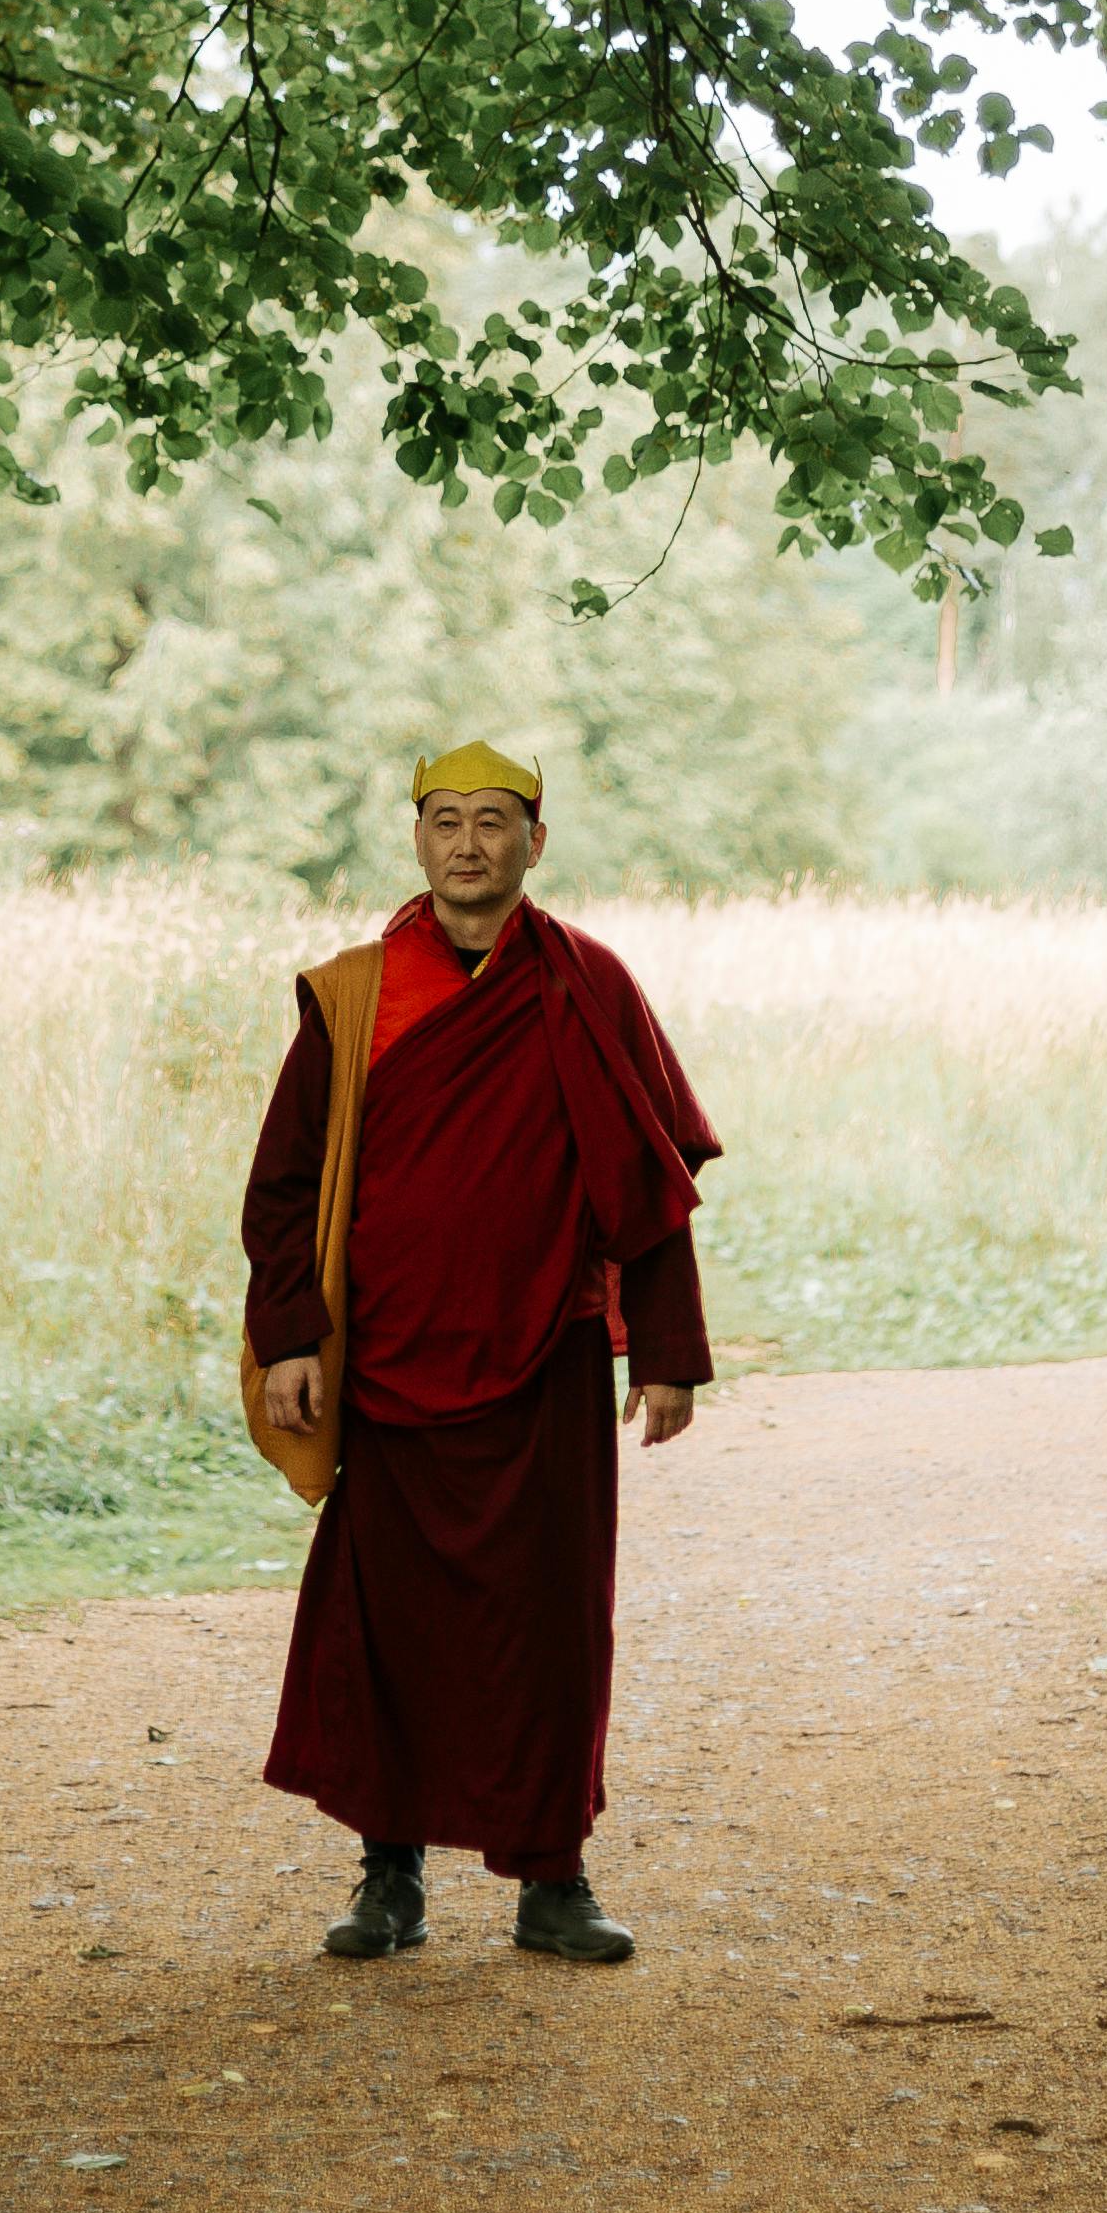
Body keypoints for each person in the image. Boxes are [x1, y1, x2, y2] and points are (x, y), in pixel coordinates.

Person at [239, 741, 718, 1963]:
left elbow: (645, 1185)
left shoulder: (588, 985)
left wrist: (662, 1351)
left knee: (552, 1622)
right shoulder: (353, 995)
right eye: (444, 820)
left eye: (494, 821)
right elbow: (286, 1186)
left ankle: (551, 1879)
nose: (468, 843)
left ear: (533, 843)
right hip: (390, 1359)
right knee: (384, 1624)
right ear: (415, 840)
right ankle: (385, 1880)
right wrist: (291, 1333)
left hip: (547, 1353)